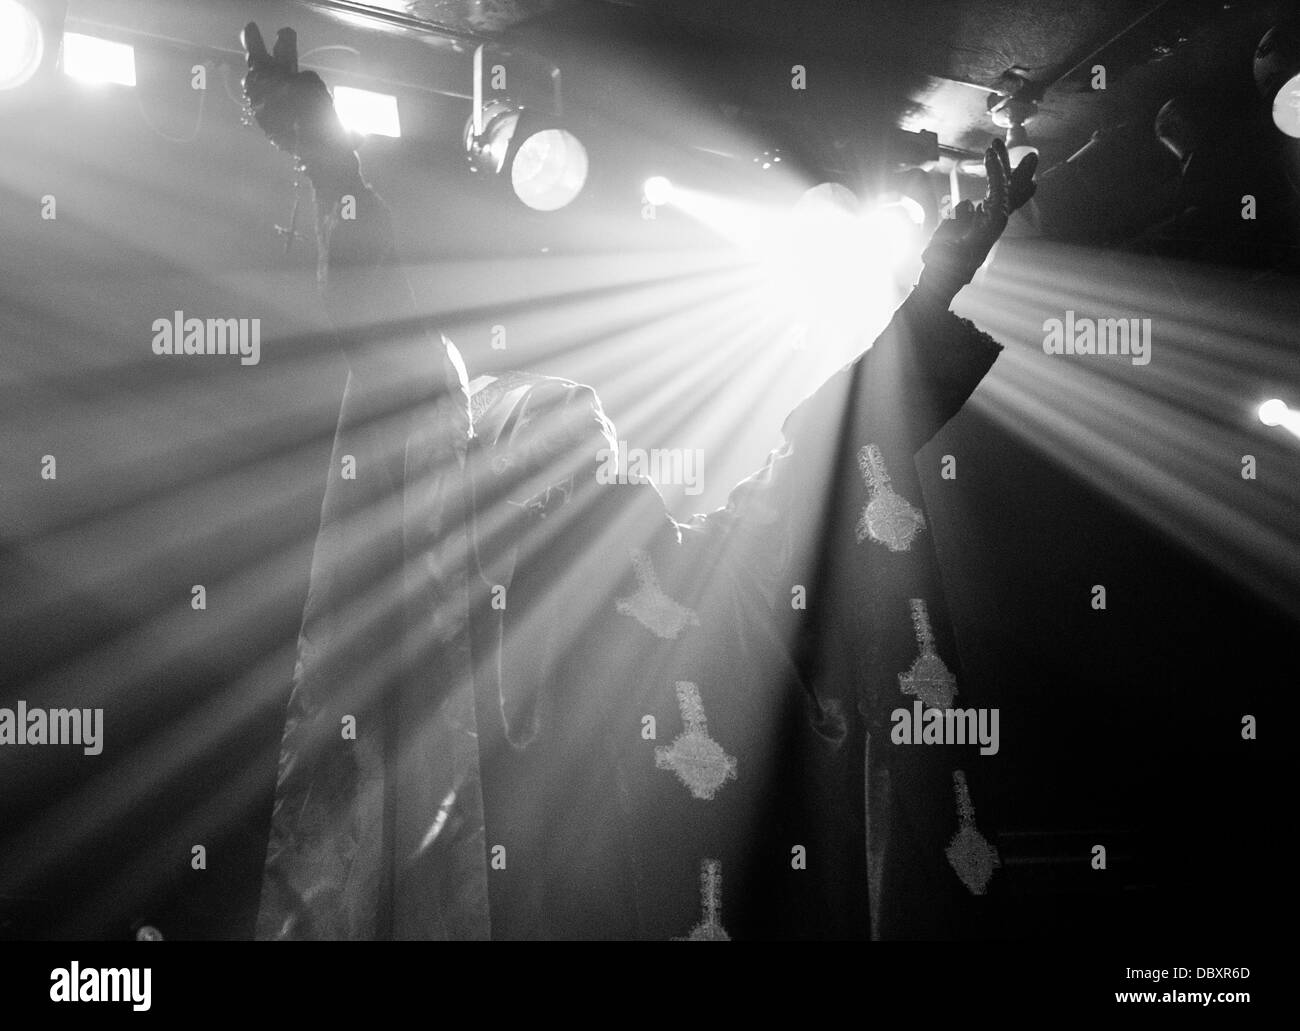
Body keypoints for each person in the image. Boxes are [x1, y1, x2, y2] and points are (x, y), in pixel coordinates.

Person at [242, 22, 1038, 941]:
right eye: (565, 441)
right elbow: (389, 342)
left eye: (603, 440)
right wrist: (332, 167)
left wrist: (934, 289)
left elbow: (823, 452)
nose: (600, 455)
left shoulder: (681, 577)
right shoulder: (462, 590)